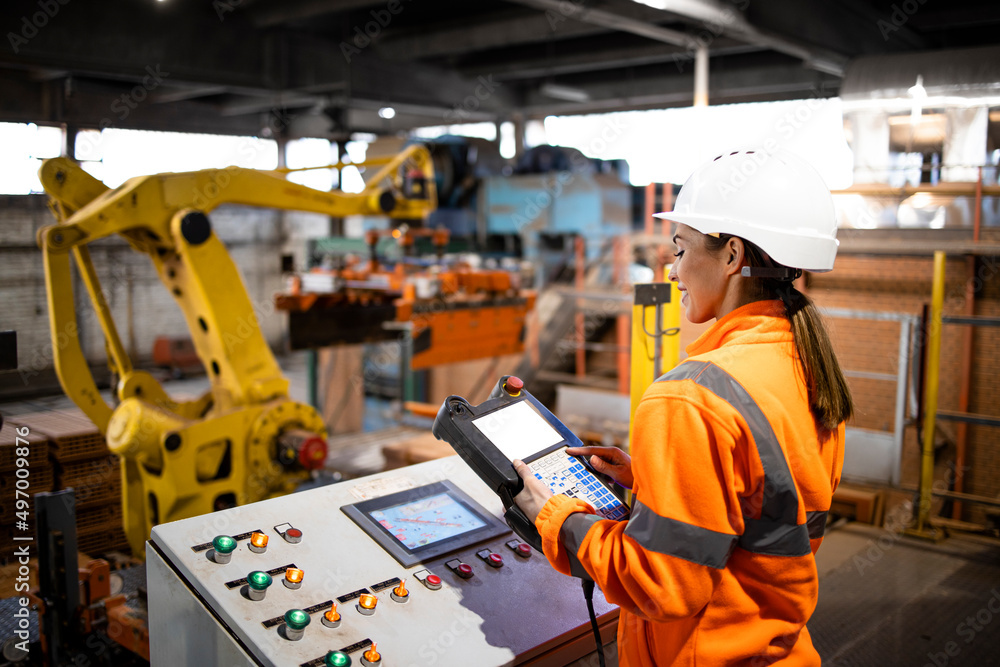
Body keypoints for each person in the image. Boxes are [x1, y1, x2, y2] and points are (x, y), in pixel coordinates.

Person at [513, 150, 853, 666]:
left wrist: (554, 517)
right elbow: (764, 511)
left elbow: (664, 586)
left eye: (680, 248)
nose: (671, 269)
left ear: (733, 255)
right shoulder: (806, 365)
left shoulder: (690, 396)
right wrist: (653, 479)